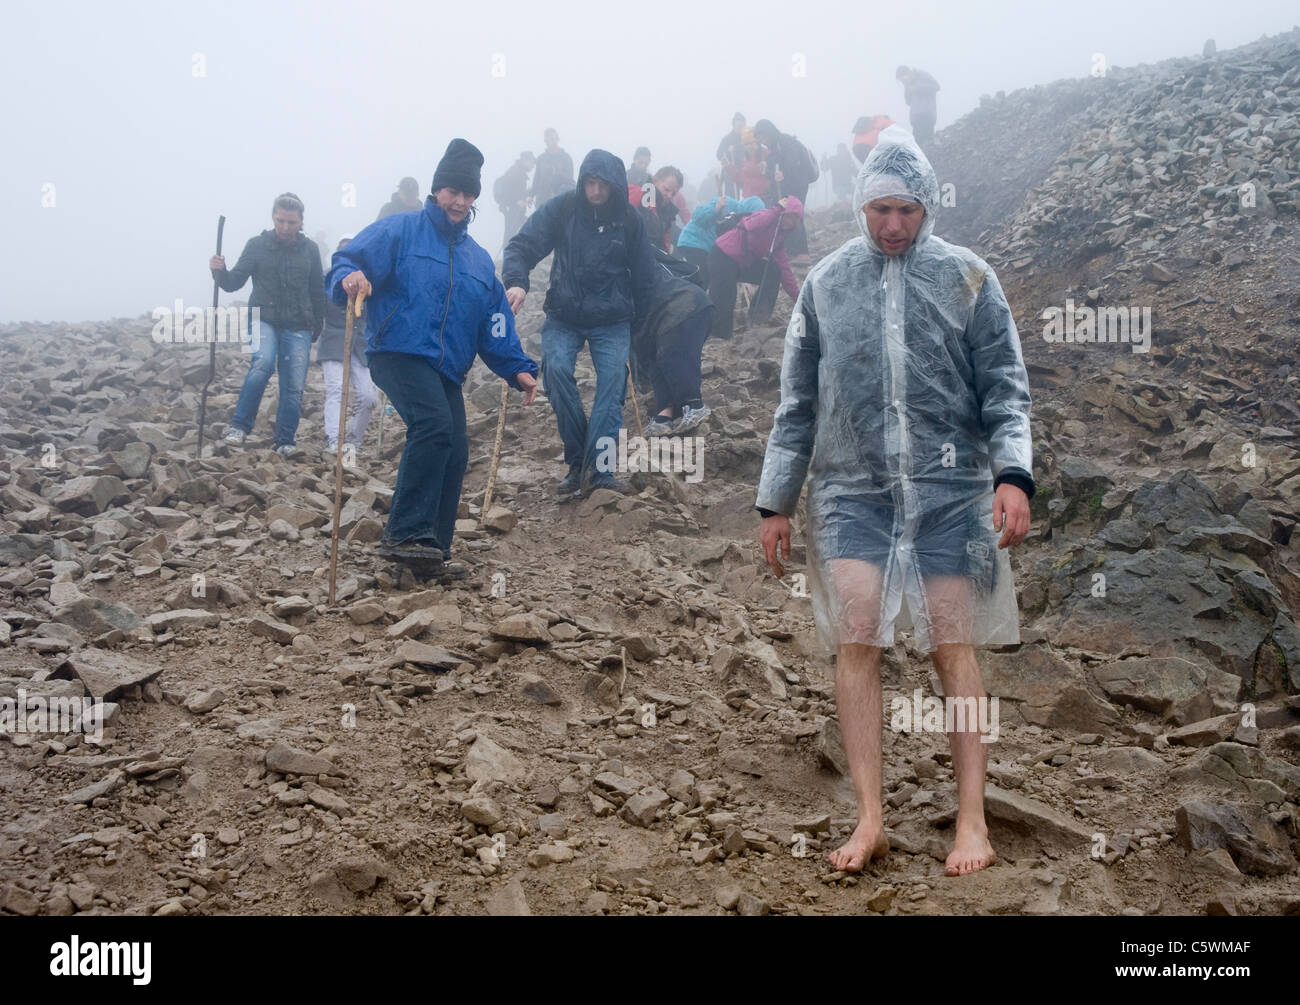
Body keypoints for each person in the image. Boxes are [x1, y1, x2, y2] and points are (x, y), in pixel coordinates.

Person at [755, 127, 1034, 877]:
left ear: (927, 205)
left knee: (953, 640)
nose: (892, 225)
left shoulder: (968, 277)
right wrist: (775, 498)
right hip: (852, 489)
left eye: (906, 209)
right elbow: (798, 402)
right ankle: (871, 814)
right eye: (879, 209)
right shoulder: (826, 285)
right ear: (860, 206)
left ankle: (971, 818)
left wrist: (1014, 475)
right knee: (856, 632)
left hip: (951, 490)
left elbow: (1006, 385)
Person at [327, 140, 540, 575]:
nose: (460, 202)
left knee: (457, 447)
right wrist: (350, 276)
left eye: (468, 194)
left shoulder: (478, 260)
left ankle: (432, 551)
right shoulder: (400, 230)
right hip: (396, 352)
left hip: (445, 367)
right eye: (452, 192)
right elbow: (346, 259)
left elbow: (493, 320)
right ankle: (406, 533)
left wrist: (517, 367)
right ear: (436, 190)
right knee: (434, 427)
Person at [503, 149, 657, 500]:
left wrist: (643, 325)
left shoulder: (630, 220)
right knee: (555, 373)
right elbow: (522, 246)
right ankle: (578, 462)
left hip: (613, 319)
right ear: (582, 181)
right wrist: (516, 281)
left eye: (603, 183)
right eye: (590, 182)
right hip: (564, 315)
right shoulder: (563, 209)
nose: (596, 190)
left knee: (612, 388)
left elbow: (645, 276)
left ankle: (600, 471)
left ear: (615, 185)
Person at [210, 192, 325, 455]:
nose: (285, 227)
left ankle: (285, 440)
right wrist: (219, 271)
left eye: (291, 222)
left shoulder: (310, 250)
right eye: (280, 221)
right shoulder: (256, 245)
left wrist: (317, 324)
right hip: (262, 319)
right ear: (273, 217)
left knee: (294, 384)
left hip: (299, 324)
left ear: (301, 222)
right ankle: (239, 426)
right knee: (262, 362)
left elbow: (317, 289)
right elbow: (233, 282)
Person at [632, 249, 715, 436]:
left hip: (685, 304)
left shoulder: (629, 259)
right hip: (660, 316)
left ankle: (694, 405)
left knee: (672, 355)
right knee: (656, 361)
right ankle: (664, 414)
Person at [316, 235, 379, 458]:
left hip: (361, 346)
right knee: (336, 391)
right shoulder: (326, 280)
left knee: (369, 397)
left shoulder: (371, 284)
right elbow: (315, 309)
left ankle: (352, 440)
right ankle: (335, 441)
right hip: (333, 342)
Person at [706, 195, 803, 340]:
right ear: (783, 213)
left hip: (741, 263)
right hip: (722, 255)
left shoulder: (779, 239)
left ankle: (758, 317)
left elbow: (785, 270)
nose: (789, 222)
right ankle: (717, 335)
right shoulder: (767, 215)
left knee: (774, 271)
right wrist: (776, 209)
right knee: (726, 297)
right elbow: (751, 224)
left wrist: (798, 297)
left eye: (794, 220)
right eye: (789, 216)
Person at [752, 119, 818, 264]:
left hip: (798, 183)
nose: (763, 142)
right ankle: (792, 251)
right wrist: (769, 169)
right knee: (786, 213)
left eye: (762, 138)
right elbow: (777, 165)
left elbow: (791, 163)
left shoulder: (785, 141)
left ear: (768, 132)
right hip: (792, 184)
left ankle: (802, 253)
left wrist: (782, 173)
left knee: (794, 214)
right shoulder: (777, 146)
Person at [676, 192, 766, 288]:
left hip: (710, 249)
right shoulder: (725, 202)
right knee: (703, 278)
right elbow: (697, 216)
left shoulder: (745, 226)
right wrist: (716, 208)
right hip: (693, 242)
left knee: (710, 278)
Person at [628, 165, 684, 251]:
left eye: (673, 194)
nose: (669, 196)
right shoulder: (637, 193)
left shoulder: (667, 214)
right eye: (666, 189)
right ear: (655, 181)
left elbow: (664, 247)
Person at [494, 151, 536, 250]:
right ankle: (508, 258)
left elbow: (517, 192)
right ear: (526, 160)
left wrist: (526, 197)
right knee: (511, 233)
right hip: (512, 209)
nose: (533, 166)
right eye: (532, 163)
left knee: (514, 231)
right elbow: (508, 191)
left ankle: (511, 255)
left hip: (514, 208)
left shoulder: (518, 171)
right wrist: (516, 201)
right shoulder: (516, 172)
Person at [531, 128, 575, 207]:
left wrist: (556, 175)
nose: (550, 142)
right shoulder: (541, 158)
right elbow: (537, 179)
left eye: (552, 139)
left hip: (560, 200)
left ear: (557, 139)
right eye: (547, 140)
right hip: (542, 200)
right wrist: (531, 195)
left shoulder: (566, 157)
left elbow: (570, 179)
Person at [896, 67, 940, 144]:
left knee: (926, 142)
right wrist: (908, 90)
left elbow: (936, 86)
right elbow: (908, 101)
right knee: (918, 144)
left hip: (927, 114)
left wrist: (916, 88)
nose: (903, 82)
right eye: (902, 81)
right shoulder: (908, 84)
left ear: (908, 73)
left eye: (903, 79)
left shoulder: (922, 75)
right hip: (916, 117)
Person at [716, 112, 746, 198]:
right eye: (739, 127)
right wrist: (727, 151)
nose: (741, 129)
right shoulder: (727, 139)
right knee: (731, 197)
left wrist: (737, 147)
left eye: (743, 127)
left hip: (745, 170)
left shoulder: (747, 137)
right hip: (730, 173)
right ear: (733, 125)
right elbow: (719, 154)